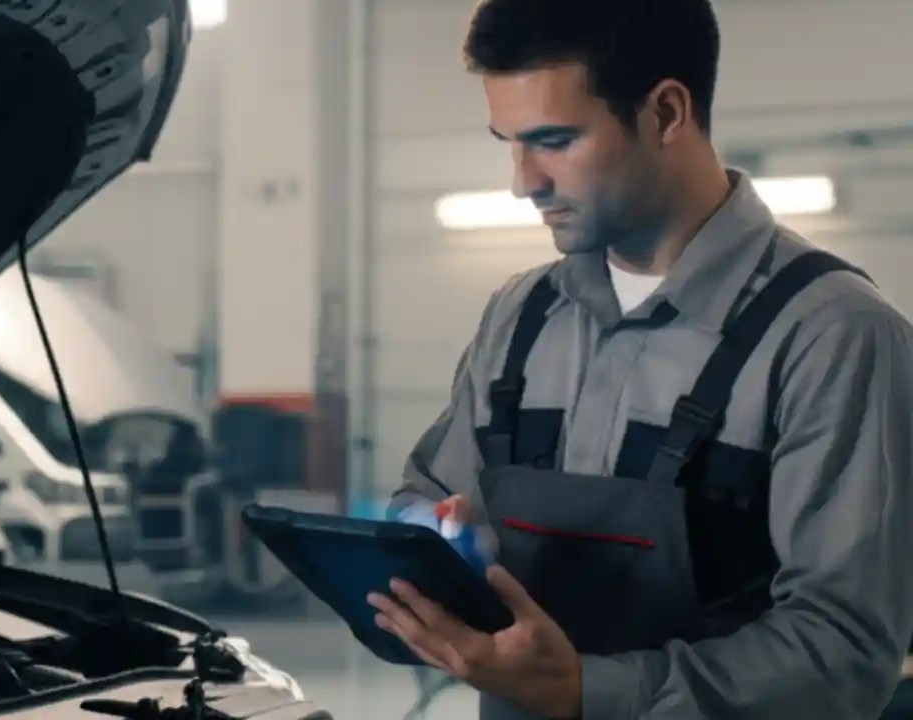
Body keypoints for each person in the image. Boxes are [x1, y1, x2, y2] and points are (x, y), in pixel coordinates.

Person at [365, 0, 913, 718]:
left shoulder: (832, 335)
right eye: (511, 142)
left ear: (665, 113)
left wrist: (585, 691)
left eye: (554, 140)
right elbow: (430, 491)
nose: (523, 181)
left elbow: (842, 650)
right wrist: (440, 541)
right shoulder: (520, 317)